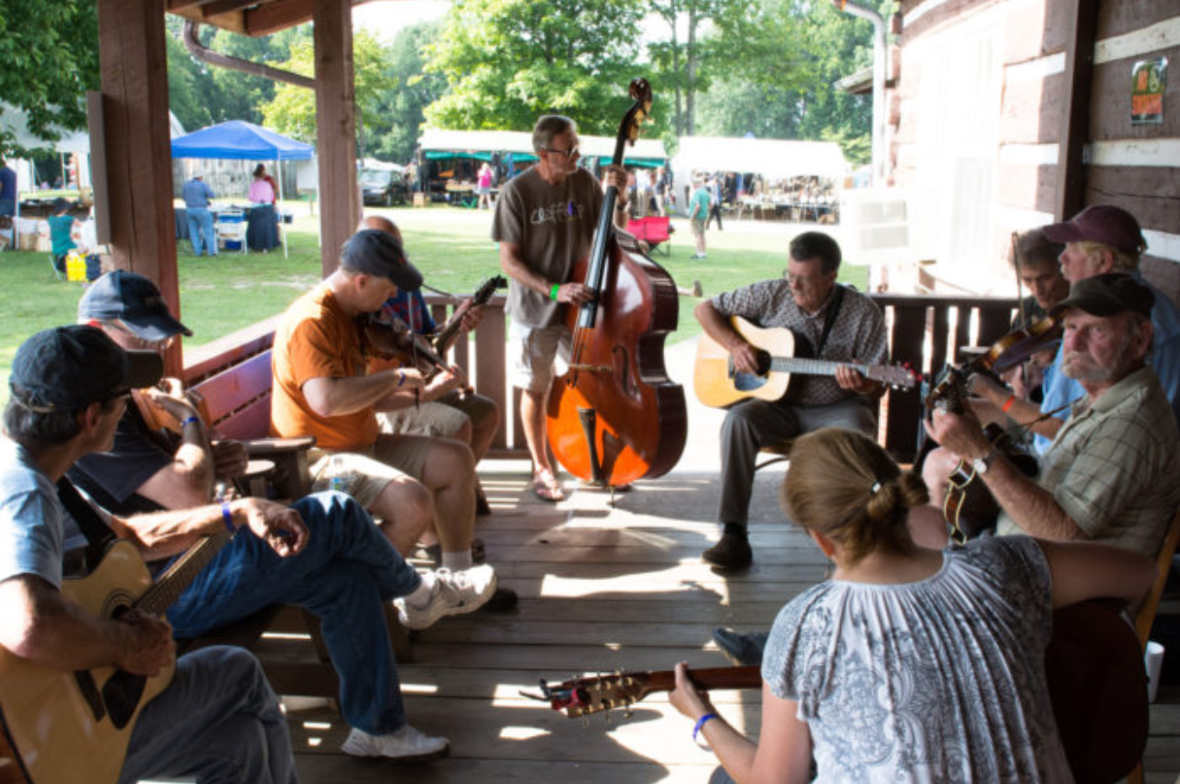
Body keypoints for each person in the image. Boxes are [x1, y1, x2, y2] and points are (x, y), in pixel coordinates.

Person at [66, 270, 491, 759]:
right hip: (166, 592)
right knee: (334, 510)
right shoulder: (93, 416)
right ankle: (417, 593)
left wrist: (215, 454)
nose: (156, 352)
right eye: (143, 340)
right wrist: (189, 421)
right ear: (96, 332)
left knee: (346, 578)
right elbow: (186, 494)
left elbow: (178, 484)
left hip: (206, 554)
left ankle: (379, 728)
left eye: (161, 341)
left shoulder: (128, 399)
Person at [670, 427, 1155, 784]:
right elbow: (1141, 573)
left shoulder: (806, 625)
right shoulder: (1004, 565)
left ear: (819, 538)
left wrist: (702, 715)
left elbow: (775, 781)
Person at [0, 325, 300, 783]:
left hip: (59, 721)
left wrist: (234, 513)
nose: (128, 410)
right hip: (49, 746)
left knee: (237, 743)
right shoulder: (24, 492)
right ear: (91, 417)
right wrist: (127, 644)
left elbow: (125, 536)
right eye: (123, 399)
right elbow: (29, 625)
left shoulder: (37, 471)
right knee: (236, 670)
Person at [271, 229, 498, 597]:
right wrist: (395, 377)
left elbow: (371, 399)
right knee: (412, 501)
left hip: (362, 444)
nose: (392, 297)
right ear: (361, 280)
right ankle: (361, 600)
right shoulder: (312, 321)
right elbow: (325, 400)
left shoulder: (354, 317)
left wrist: (420, 384)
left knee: (457, 459)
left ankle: (459, 583)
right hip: (316, 459)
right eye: (389, 288)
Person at [917, 272, 1180, 554]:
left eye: (1096, 330)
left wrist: (979, 453)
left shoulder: (1130, 422)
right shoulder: (1103, 398)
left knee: (902, 549)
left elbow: (1063, 531)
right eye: (1071, 327)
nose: (1073, 344)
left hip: (1046, 576)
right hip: (1017, 551)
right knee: (905, 525)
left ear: (1140, 340)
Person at [696, 231, 886, 571]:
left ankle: (852, 541)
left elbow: (878, 387)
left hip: (836, 408)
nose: (793, 285)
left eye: (804, 279)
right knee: (738, 421)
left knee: (858, 430)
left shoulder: (863, 313)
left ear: (831, 277)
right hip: (777, 405)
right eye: (790, 274)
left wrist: (863, 384)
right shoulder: (772, 293)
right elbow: (704, 309)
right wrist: (736, 346)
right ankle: (733, 533)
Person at [491, 113, 627, 502]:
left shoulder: (584, 182)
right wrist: (554, 290)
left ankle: (593, 461)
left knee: (593, 382)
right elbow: (509, 261)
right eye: (569, 150)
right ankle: (542, 468)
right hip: (537, 307)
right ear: (543, 153)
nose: (577, 157)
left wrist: (620, 196)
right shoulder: (517, 192)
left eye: (577, 148)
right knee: (536, 388)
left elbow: (613, 231)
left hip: (582, 307)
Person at [984, 206, 1180, 454]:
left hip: (1087, 459)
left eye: (1071, 250)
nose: (1062, 259)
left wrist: (989, 390)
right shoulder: (1154, 306)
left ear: (1104, 261)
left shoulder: (1110, 318)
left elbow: (1062, 427)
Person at [361, 215, 501, 519]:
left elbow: (431, 345)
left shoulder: (408, 287)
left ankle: (455, 488)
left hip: (422, 385)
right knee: (457, 424)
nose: (398, 259)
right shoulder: (361, 301)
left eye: (400, 250)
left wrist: (457, 324)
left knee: (487, 413)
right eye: (389, 251)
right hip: (389, 397)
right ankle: (443, 509)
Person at [182, 171, 218, 257]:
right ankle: (211, 252)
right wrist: (205, 200)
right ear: (200, 177)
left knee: (194, 232)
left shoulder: (186, 185)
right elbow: (212, 195)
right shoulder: (202, 185)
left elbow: (184, 197)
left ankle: (198, 252)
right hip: (201, 209)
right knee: (208, 231)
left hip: (189, 209)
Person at [47, 197, 79, 275]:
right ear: (64, 208)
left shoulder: (51, 219)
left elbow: (50, 235)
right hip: (69, 247)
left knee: (60, 263)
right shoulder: (69, 219)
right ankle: (74, 271)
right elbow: (82, 227)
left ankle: (69, 271)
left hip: (56, 248)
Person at [687, 177, 710, 260]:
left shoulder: (696, 193)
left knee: (698, 235)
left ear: (696, 184)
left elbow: (697, 206)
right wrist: (706, 211)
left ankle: (699, 254)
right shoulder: (705, 192)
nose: (692, 186)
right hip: (703, 216)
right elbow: (711, 204)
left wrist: (692, 216)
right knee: (702, 234)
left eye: (693, 184)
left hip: (697, 217)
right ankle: (703, 253)